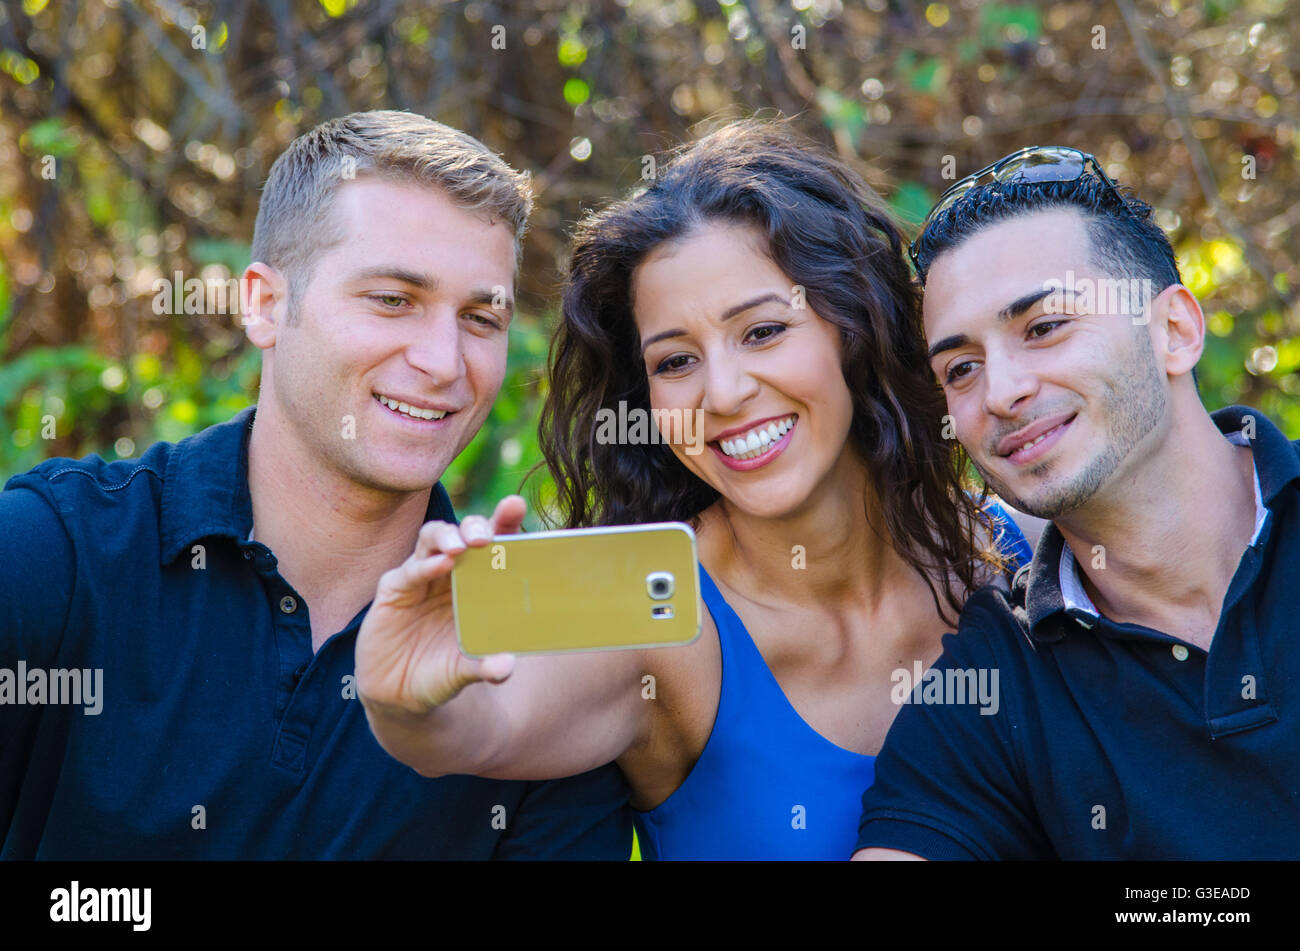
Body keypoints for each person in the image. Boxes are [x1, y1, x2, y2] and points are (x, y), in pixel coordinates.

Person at [356, 120, 1038, 860]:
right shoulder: (657, 614)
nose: (725, 392)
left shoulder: (1016, 553)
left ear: (854, 325)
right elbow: (485, 724)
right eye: (676, 361)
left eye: (763, 331)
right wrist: (402, 700)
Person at [0, 110, 632, 859]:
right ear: (266, 304)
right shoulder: (53, 557)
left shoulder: (536, 657)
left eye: (479, 317)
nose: (442, 360)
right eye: (393, 299)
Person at [853, 146, 1300, 860]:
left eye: (1043, 327)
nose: (1000, 392)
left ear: (1174, 332)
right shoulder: (997, 681)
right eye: (961, 368)